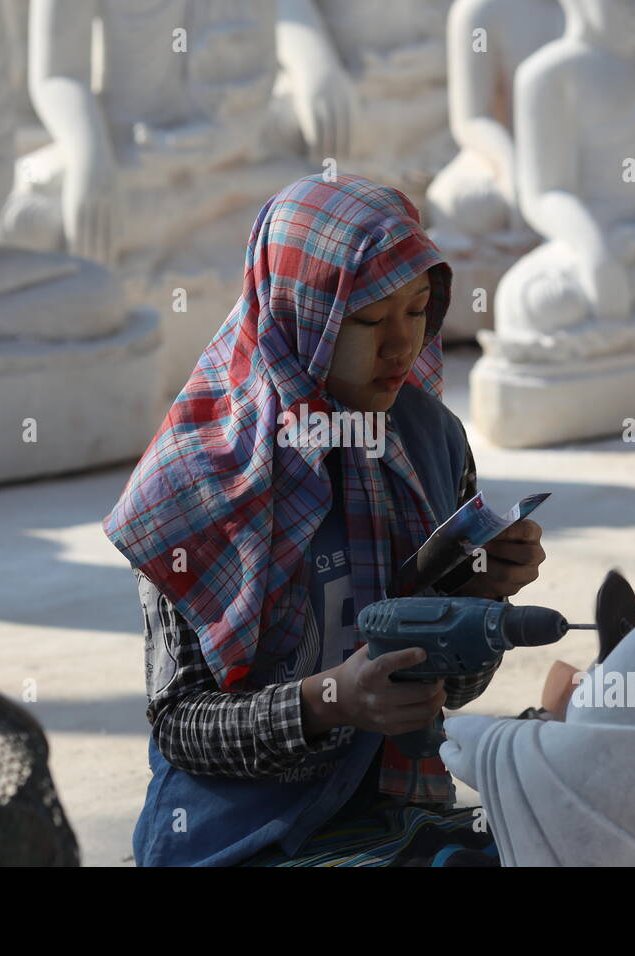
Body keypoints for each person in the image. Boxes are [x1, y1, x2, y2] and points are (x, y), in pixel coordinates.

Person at [104, 173, 546, 866]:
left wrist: (481, 599)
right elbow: (183, 725)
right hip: (242, 838)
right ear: (299, 314)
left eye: (419, 310)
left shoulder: (428, 440)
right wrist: (332, 700)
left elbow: (448, 690)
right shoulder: (199, 478)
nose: (402, 346)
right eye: (369, 320)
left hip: (399, 818)